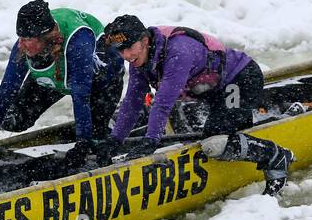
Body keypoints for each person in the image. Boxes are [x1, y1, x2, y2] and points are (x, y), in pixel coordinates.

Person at [104, 15, 295, 197]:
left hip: (241, 78)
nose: (126, 55)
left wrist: (151, 141)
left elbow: (162, 104)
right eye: (121, 51)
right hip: (212, 91)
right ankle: (259, 126)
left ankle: (276, 156)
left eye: (129, 47)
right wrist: (115, 141)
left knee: (215, 143)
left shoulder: (178, 51)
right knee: (217, 133)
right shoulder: (139, 59)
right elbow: (132, 103)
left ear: (144, 41)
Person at [0, 0, 124, 170]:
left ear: (45, 37)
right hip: (58, 73)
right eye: (20, 38)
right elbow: (7, 91)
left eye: (26, 39)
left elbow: (81, 97)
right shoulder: (24, 45)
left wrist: (83, 144)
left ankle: (103, 127)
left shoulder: (78, 41)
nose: (21, 44)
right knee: (17, 119)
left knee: (95, 139)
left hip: (100, 79)